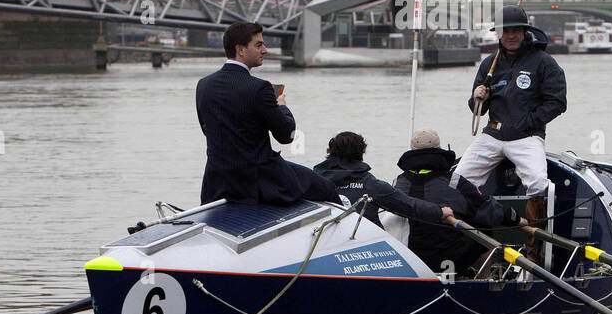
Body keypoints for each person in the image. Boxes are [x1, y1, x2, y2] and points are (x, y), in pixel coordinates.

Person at [195, 21, 341, 207]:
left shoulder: (203, 85)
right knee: (326, 188)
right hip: (258, 180)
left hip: (216, 182)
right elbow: (286, 135)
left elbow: (208, 129)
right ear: (240, 49)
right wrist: (281, 106)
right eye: (258, 45)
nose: (265, 50)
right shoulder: (259, 88)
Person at [454, 5, 567, 237]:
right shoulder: (489, 64)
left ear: (526, 32)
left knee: (537, 183)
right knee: (457, 180)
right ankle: (469, 237)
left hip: (527, 137)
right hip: (492, 135)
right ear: (499, 34)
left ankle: (535, 243)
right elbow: (478, 110)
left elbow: (557, 102)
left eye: (516, 30)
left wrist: (528, 123)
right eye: (506, 31)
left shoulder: (544, 62)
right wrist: (477, 98)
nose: (511, 36)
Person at [394, 128, 523, 278]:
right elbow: (487, 209)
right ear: (439, 149)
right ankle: (484, 280)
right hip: (452, 257)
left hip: (411, 257)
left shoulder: (398, 183)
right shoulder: (454, 183)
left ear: (411, 151)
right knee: (482, 226)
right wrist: (516, 219)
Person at [313, 131, 455, 229]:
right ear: (361, 153)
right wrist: (439, 211)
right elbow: (408, 205)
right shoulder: (370, 184)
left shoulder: (313, 181)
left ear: (330, 152)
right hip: (363, 244)